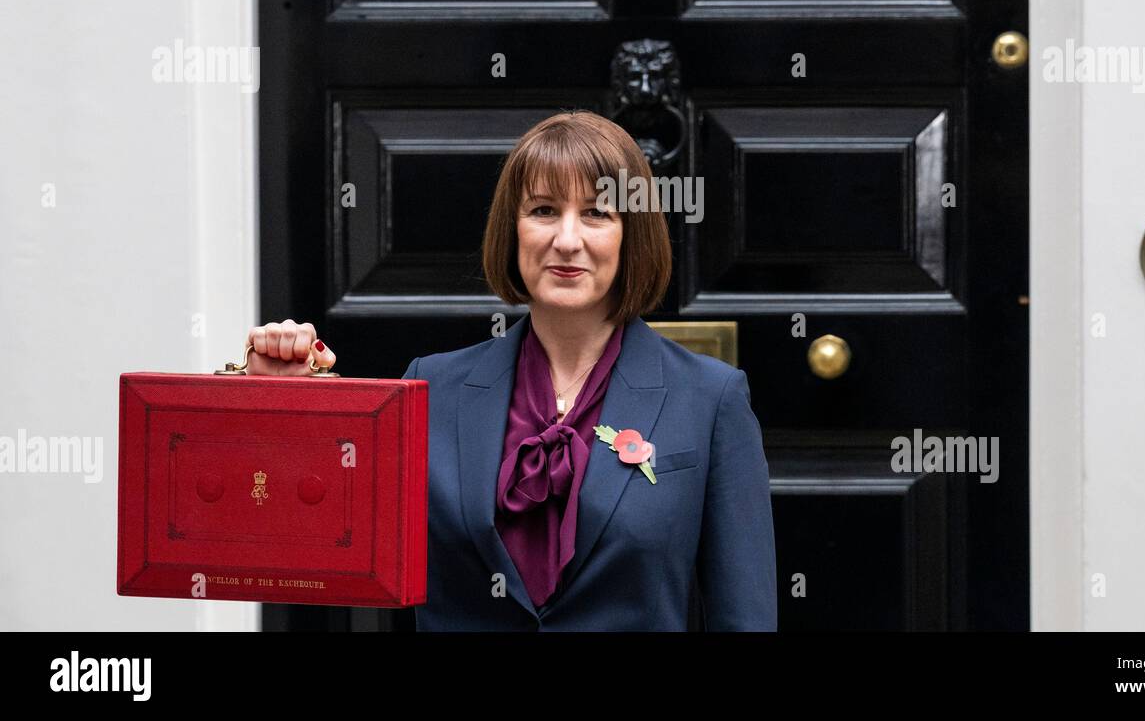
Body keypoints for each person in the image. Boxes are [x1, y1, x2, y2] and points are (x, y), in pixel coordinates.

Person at [246, 110, 777, 630]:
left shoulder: (710, 399)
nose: (567, 240)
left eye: (597, 213)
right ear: (512, 229)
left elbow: (745, 616)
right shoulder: (430, 390)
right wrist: (279, 405)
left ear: (631, 233)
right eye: (544, 210)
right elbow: (314, 544)